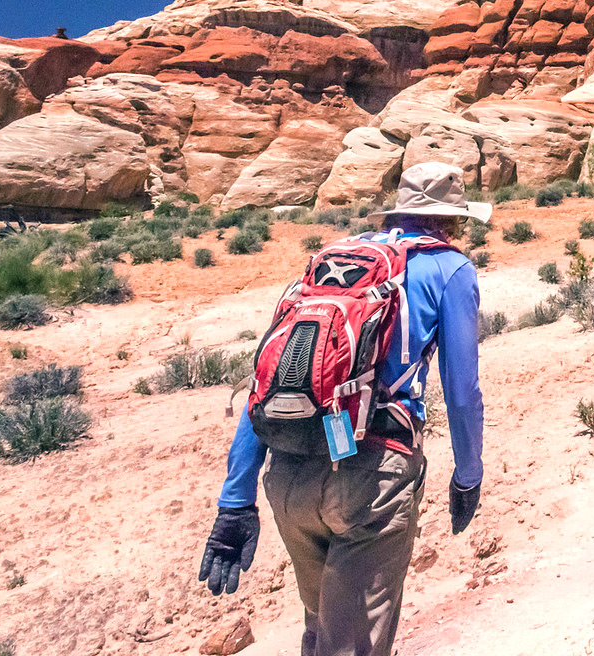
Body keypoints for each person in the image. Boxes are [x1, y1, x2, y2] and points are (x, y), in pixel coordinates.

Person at [197, 162, 489, 656]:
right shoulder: (450, 268)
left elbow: (266, 379)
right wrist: (468, 476)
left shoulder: (331, 261)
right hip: (370, 483)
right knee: (351, 645)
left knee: (321, 633)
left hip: (289, 474)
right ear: (453, 219)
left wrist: (235, 500)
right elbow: (463, 391)